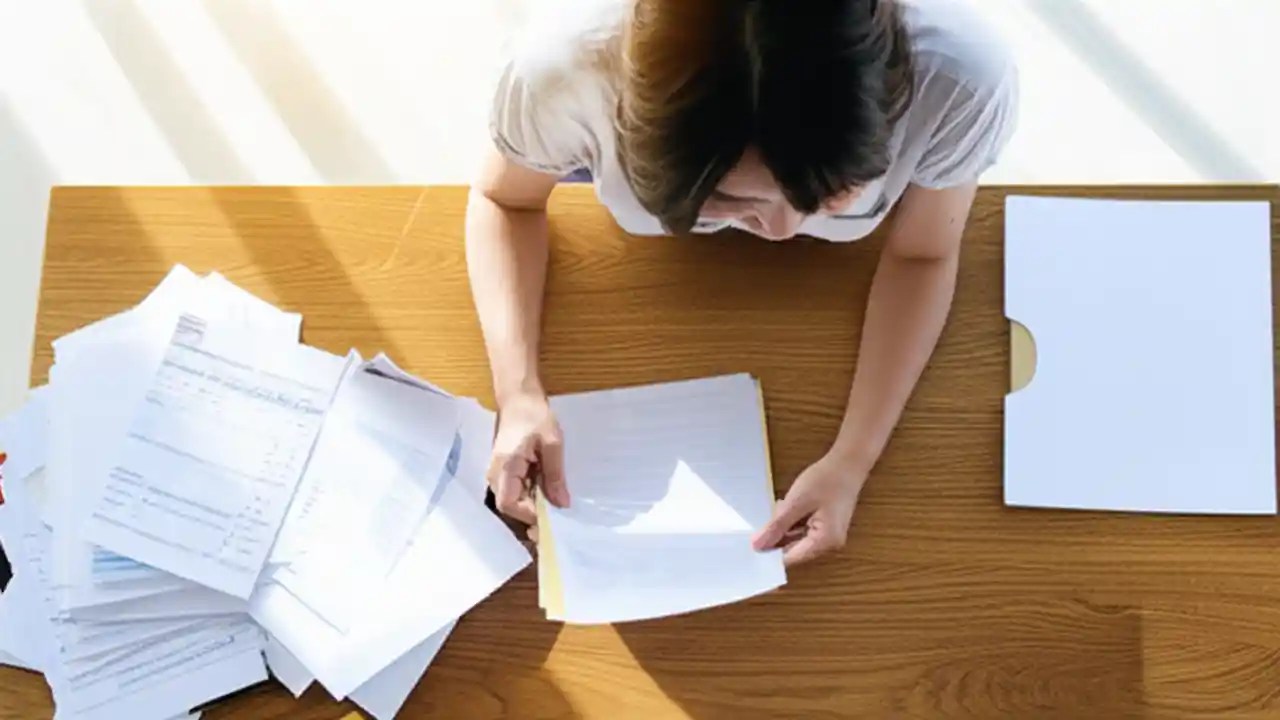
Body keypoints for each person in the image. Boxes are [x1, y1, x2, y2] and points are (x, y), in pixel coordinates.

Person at [466, 0, 1018, 566]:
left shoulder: (959, 80)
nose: (783, 232)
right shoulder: (564, 68)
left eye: (831, 192)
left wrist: (853, 458)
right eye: (733, 199)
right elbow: (504, 200)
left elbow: (924, 254)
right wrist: (518, 393)